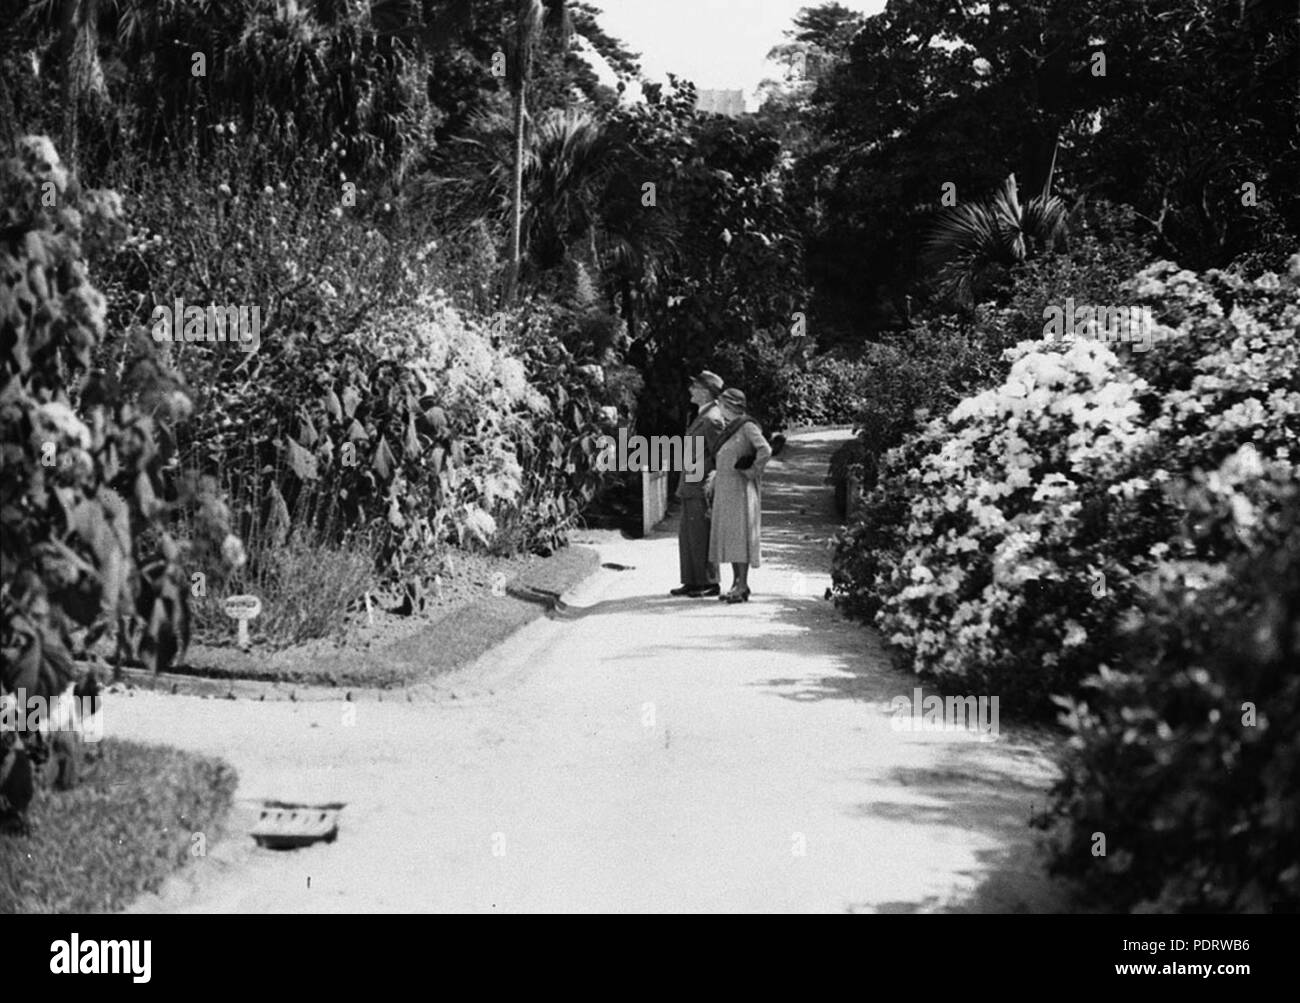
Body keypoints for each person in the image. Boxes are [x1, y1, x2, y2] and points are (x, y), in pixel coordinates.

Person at [708, 388, 772, 603]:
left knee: (740, 537)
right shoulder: (730, 429)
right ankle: (737, 583)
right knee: (732, 538)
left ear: (729, 406)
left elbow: (765, 449)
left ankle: (742, 584)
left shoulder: (747, 427)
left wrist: (753, 471)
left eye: (722, 406)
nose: (720, 410)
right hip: (727, 490)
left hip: (741, 490)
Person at [671, 370, 726, 597]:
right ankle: (693, 580)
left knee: (701, 534)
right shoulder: (703, 415)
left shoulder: (712, 418)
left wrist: (711, 483)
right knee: (689, 535)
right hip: (691, 484)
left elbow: (719, 453)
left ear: (705, 391)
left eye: (695, 387)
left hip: (701, 485)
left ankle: (709, 582)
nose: (691, 390)